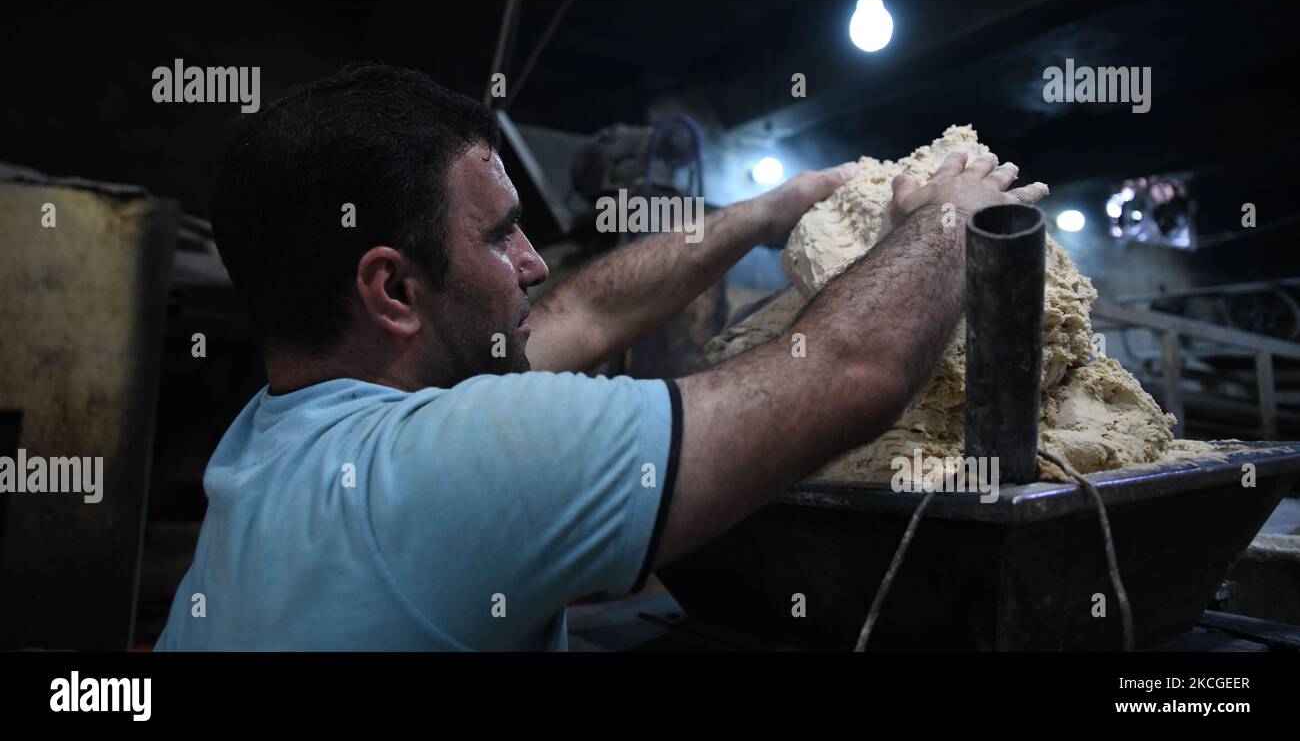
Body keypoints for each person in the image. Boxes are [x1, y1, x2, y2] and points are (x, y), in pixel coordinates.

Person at [154, 63, 1047, 650]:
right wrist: (950, 221)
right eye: (502, 238)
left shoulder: (278, 438)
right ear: (392, 289)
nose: (537, 263)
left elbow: (579, 314)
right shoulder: (449, 462)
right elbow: (850, 373)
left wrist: (766, 214)